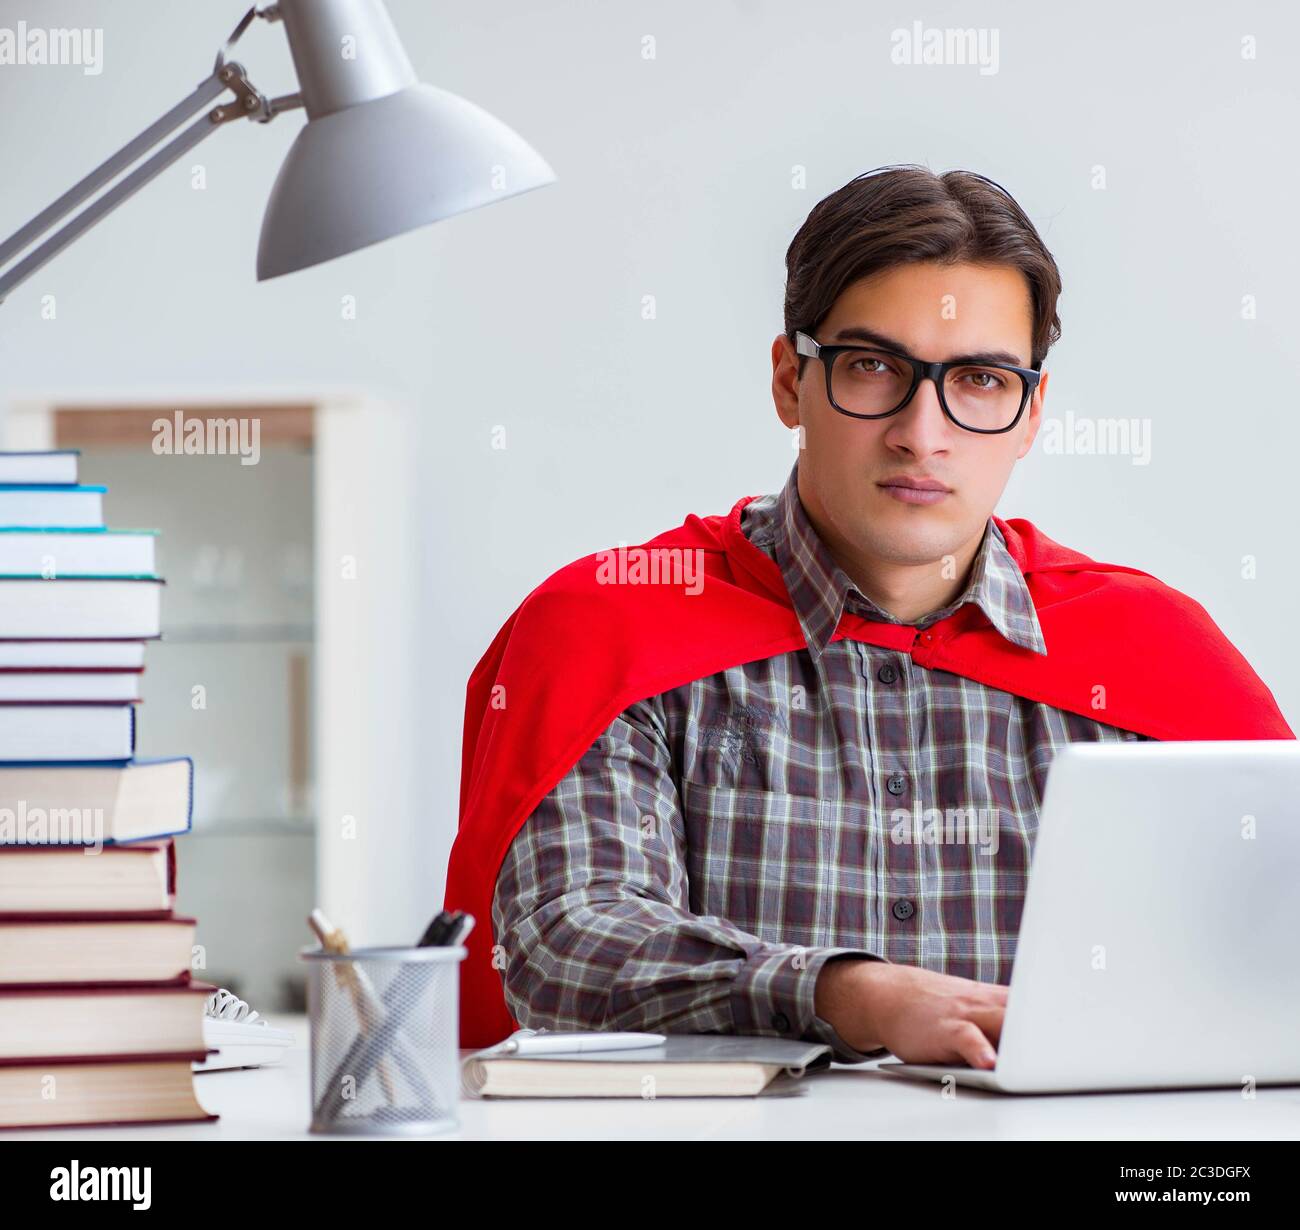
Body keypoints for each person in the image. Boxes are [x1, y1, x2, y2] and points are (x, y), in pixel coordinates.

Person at [445, 164, 1293, 1064]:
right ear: (788, 382)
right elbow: (564, 944)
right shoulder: (612, 627)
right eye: (874, 367)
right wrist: (846, 995)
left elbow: (1271, 953)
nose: (921, 433)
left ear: (1033, 411)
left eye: (979, 381)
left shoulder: (1156, 656)